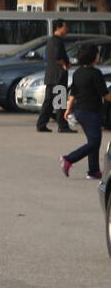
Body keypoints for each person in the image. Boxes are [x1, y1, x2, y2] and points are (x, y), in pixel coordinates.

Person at [60, 43, 111, 179]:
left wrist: (68, 110)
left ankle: (94, 171)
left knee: (92, 141)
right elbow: (105, 95)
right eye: (98, 53)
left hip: (80, 112)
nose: (99, 56)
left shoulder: (77, 73)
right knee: (94, 142)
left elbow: (73, 94)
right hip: (92, 113)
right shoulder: (96, 73)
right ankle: (69, 159)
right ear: (93, 56)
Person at [37, 19, 74, 133]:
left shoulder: (51, 41)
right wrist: (64, 64)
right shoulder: (57, 41)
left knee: (49, 101)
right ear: (58, 28)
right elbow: (57, 56)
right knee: (60, 101)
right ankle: (62, 126)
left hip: (51, 75)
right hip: (58, 76)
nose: (67, 29)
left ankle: (41, 124)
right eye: (65, 26)